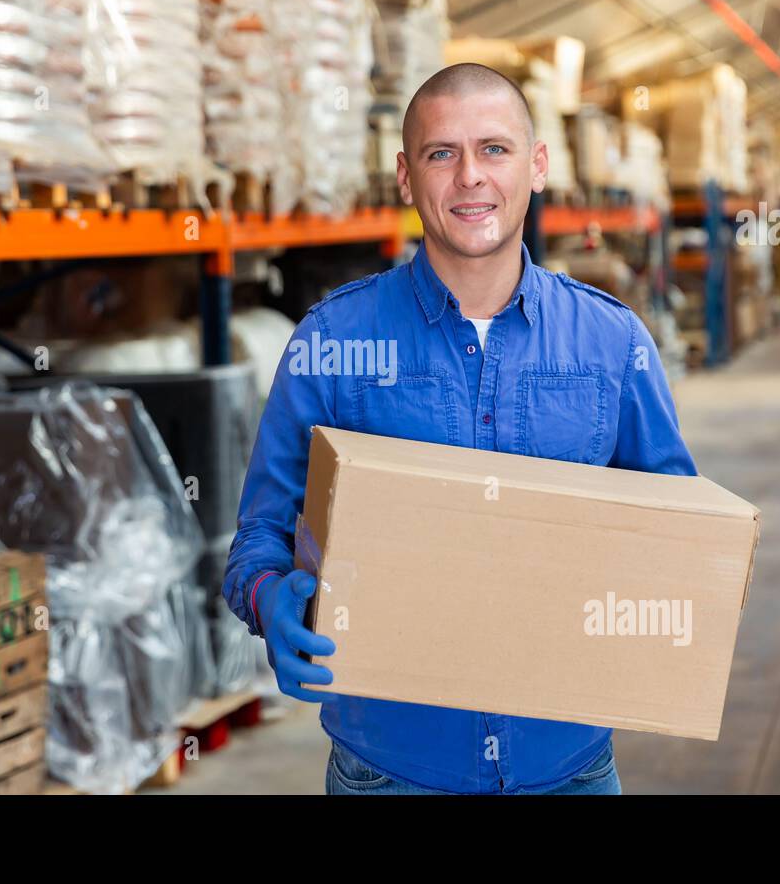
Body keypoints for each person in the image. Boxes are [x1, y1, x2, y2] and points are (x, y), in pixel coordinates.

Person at [223, 63, 697, 795]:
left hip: (568, 767)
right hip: (392, 770)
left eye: (495, 149)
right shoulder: (334, 342)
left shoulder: (613, 343)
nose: (470, 176)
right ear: (407, 179)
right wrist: (268, 598)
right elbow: (260, 532)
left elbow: (677, 528)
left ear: (537, 167)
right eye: (443, 154)